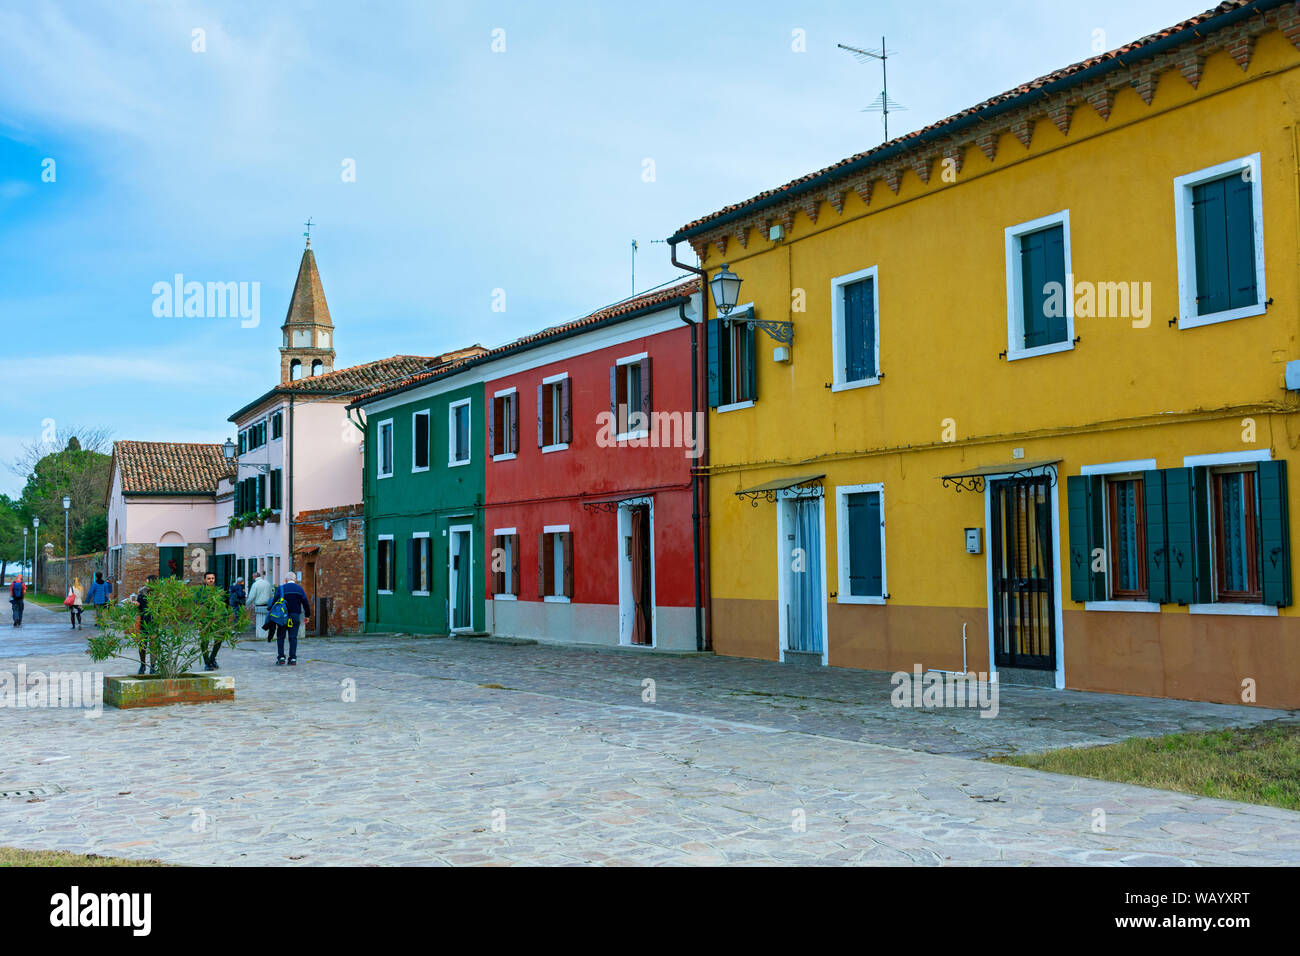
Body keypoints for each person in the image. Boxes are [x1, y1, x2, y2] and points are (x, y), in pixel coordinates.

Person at [270, 571, 311, 666]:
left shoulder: (281, 589)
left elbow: (274, 603)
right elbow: (306, 603)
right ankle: (292, 658)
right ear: (295, 580)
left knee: (281, 636)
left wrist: (272, 614)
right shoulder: (299, 589)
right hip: (295, 616)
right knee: (293, 637)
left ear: (285, 580)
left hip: (282, 617)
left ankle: (281, 658)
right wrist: (307, 615)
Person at [197, 570, 227, 671]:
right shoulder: (200, 592)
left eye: (212, 578)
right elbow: (197, 607)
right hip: (205, 620)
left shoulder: (218, 591)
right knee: (204, 642)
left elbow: (223, 605)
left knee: (219, 639)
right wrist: (199, 621)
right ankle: (207, 663)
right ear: (204, 580)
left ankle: (212, 658)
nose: (211, 580)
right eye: (209, 578)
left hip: (218, 620)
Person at [132, 575, 157, 675]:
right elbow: (139, 607)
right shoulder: (141, 593)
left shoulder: (158, 595)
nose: (146, 585)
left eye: (148, 583)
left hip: (154, 623)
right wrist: (137, 604)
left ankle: (153, 666)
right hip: (143, 622)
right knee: (142, 645)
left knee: (153, 646)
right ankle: (142, 665)